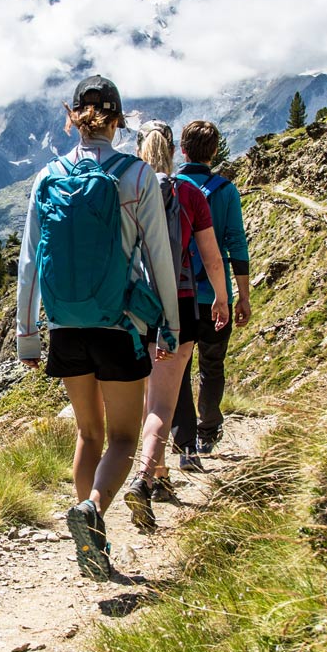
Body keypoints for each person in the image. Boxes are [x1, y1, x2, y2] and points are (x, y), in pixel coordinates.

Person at [16, 76, 179, 581]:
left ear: (74, 118)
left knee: (88, 433)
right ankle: (93, 513)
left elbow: (29, 264)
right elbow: (159, 258)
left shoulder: (47, 177)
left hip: (64, 326)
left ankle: (88, 542)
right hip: (120, 326)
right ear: (118, 119)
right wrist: (169, 326)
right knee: (125, 438)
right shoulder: (137, 177)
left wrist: (28, 334)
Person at [122, 122, 228, 531]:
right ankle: (145, 477)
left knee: (149, 393)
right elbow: (212, 256)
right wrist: (221, 297)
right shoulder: (189, 194)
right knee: (163, 403)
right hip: (180, 304)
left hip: (134, 308)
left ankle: (160, 475)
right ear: (174, 151)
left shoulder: (125, 189)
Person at [170, 120, 251, 471]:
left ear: (182, 150)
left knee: (179, 369)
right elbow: (237, 245)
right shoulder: (227, 191)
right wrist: (241, 296)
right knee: (212, 365)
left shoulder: (170, 187)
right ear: (214, 152)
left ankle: (184, 441)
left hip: (179, 295)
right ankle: (208, 430)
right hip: (217, 295)